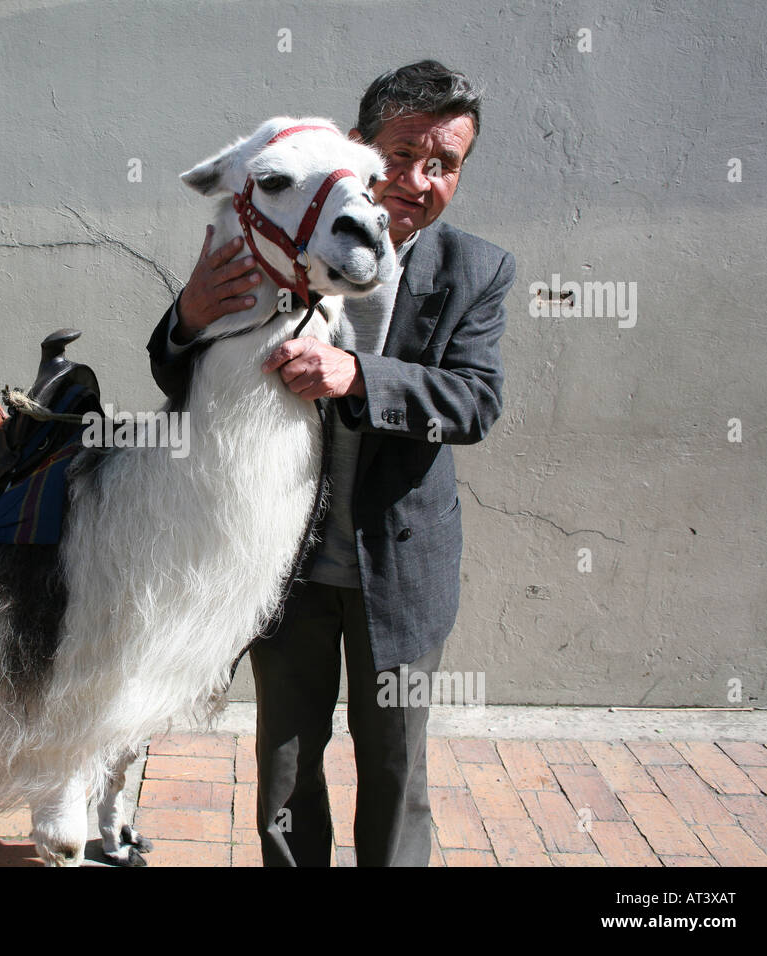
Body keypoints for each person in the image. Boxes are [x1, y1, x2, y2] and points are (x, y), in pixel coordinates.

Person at [146, 60, 515, 866]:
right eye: (404, 155)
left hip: (402, 568)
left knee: (394, 768)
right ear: (358, 149)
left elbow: (475, 401)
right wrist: (187, 317)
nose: (419, 181)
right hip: (288, 563)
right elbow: (182, 376)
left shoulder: (474, 270)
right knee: (284, 766)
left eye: (444, 163)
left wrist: (361, 376)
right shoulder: (276, 243)